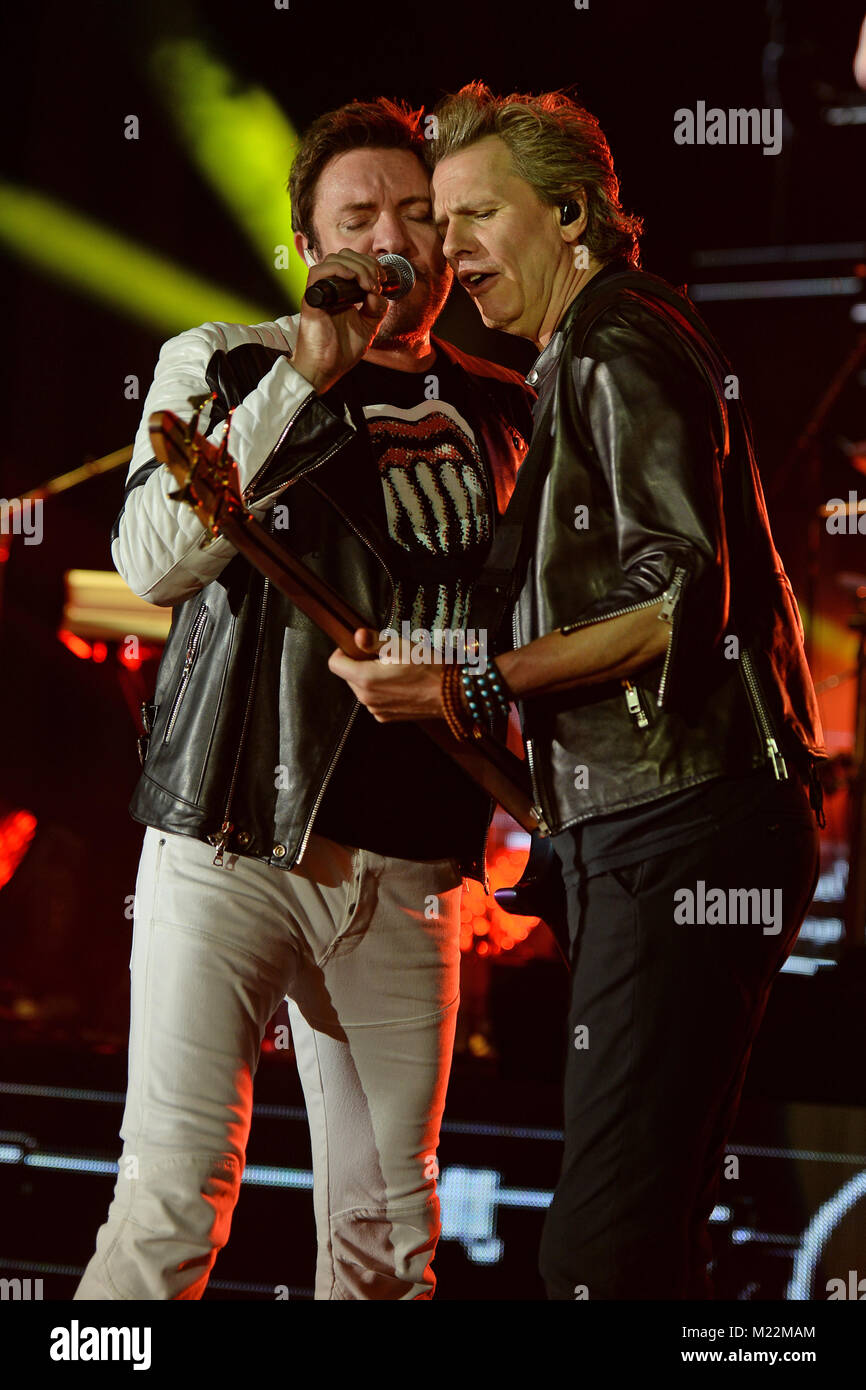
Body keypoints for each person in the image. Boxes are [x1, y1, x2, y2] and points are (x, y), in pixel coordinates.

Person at [331, 83, 827, 1300]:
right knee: (643, 1233)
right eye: (436, 225)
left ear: (572, 214)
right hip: (669, 824)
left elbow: (675, 599)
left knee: (598, 1255)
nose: (447, 255)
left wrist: (477, 678)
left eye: (474, 217)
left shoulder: (614, 340)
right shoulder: (594, 349)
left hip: (681, 826)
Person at [75, 96, 533, 1301]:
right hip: (230, 835)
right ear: (308, 247)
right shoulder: (222, 361)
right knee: (170, 1204)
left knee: (387, 1242)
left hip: (412, 871)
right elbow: (154, 560)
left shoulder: (506, 410)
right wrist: (295, 383)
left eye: (413, 216)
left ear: (446, 241)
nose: (389, 239)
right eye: (356, 216)